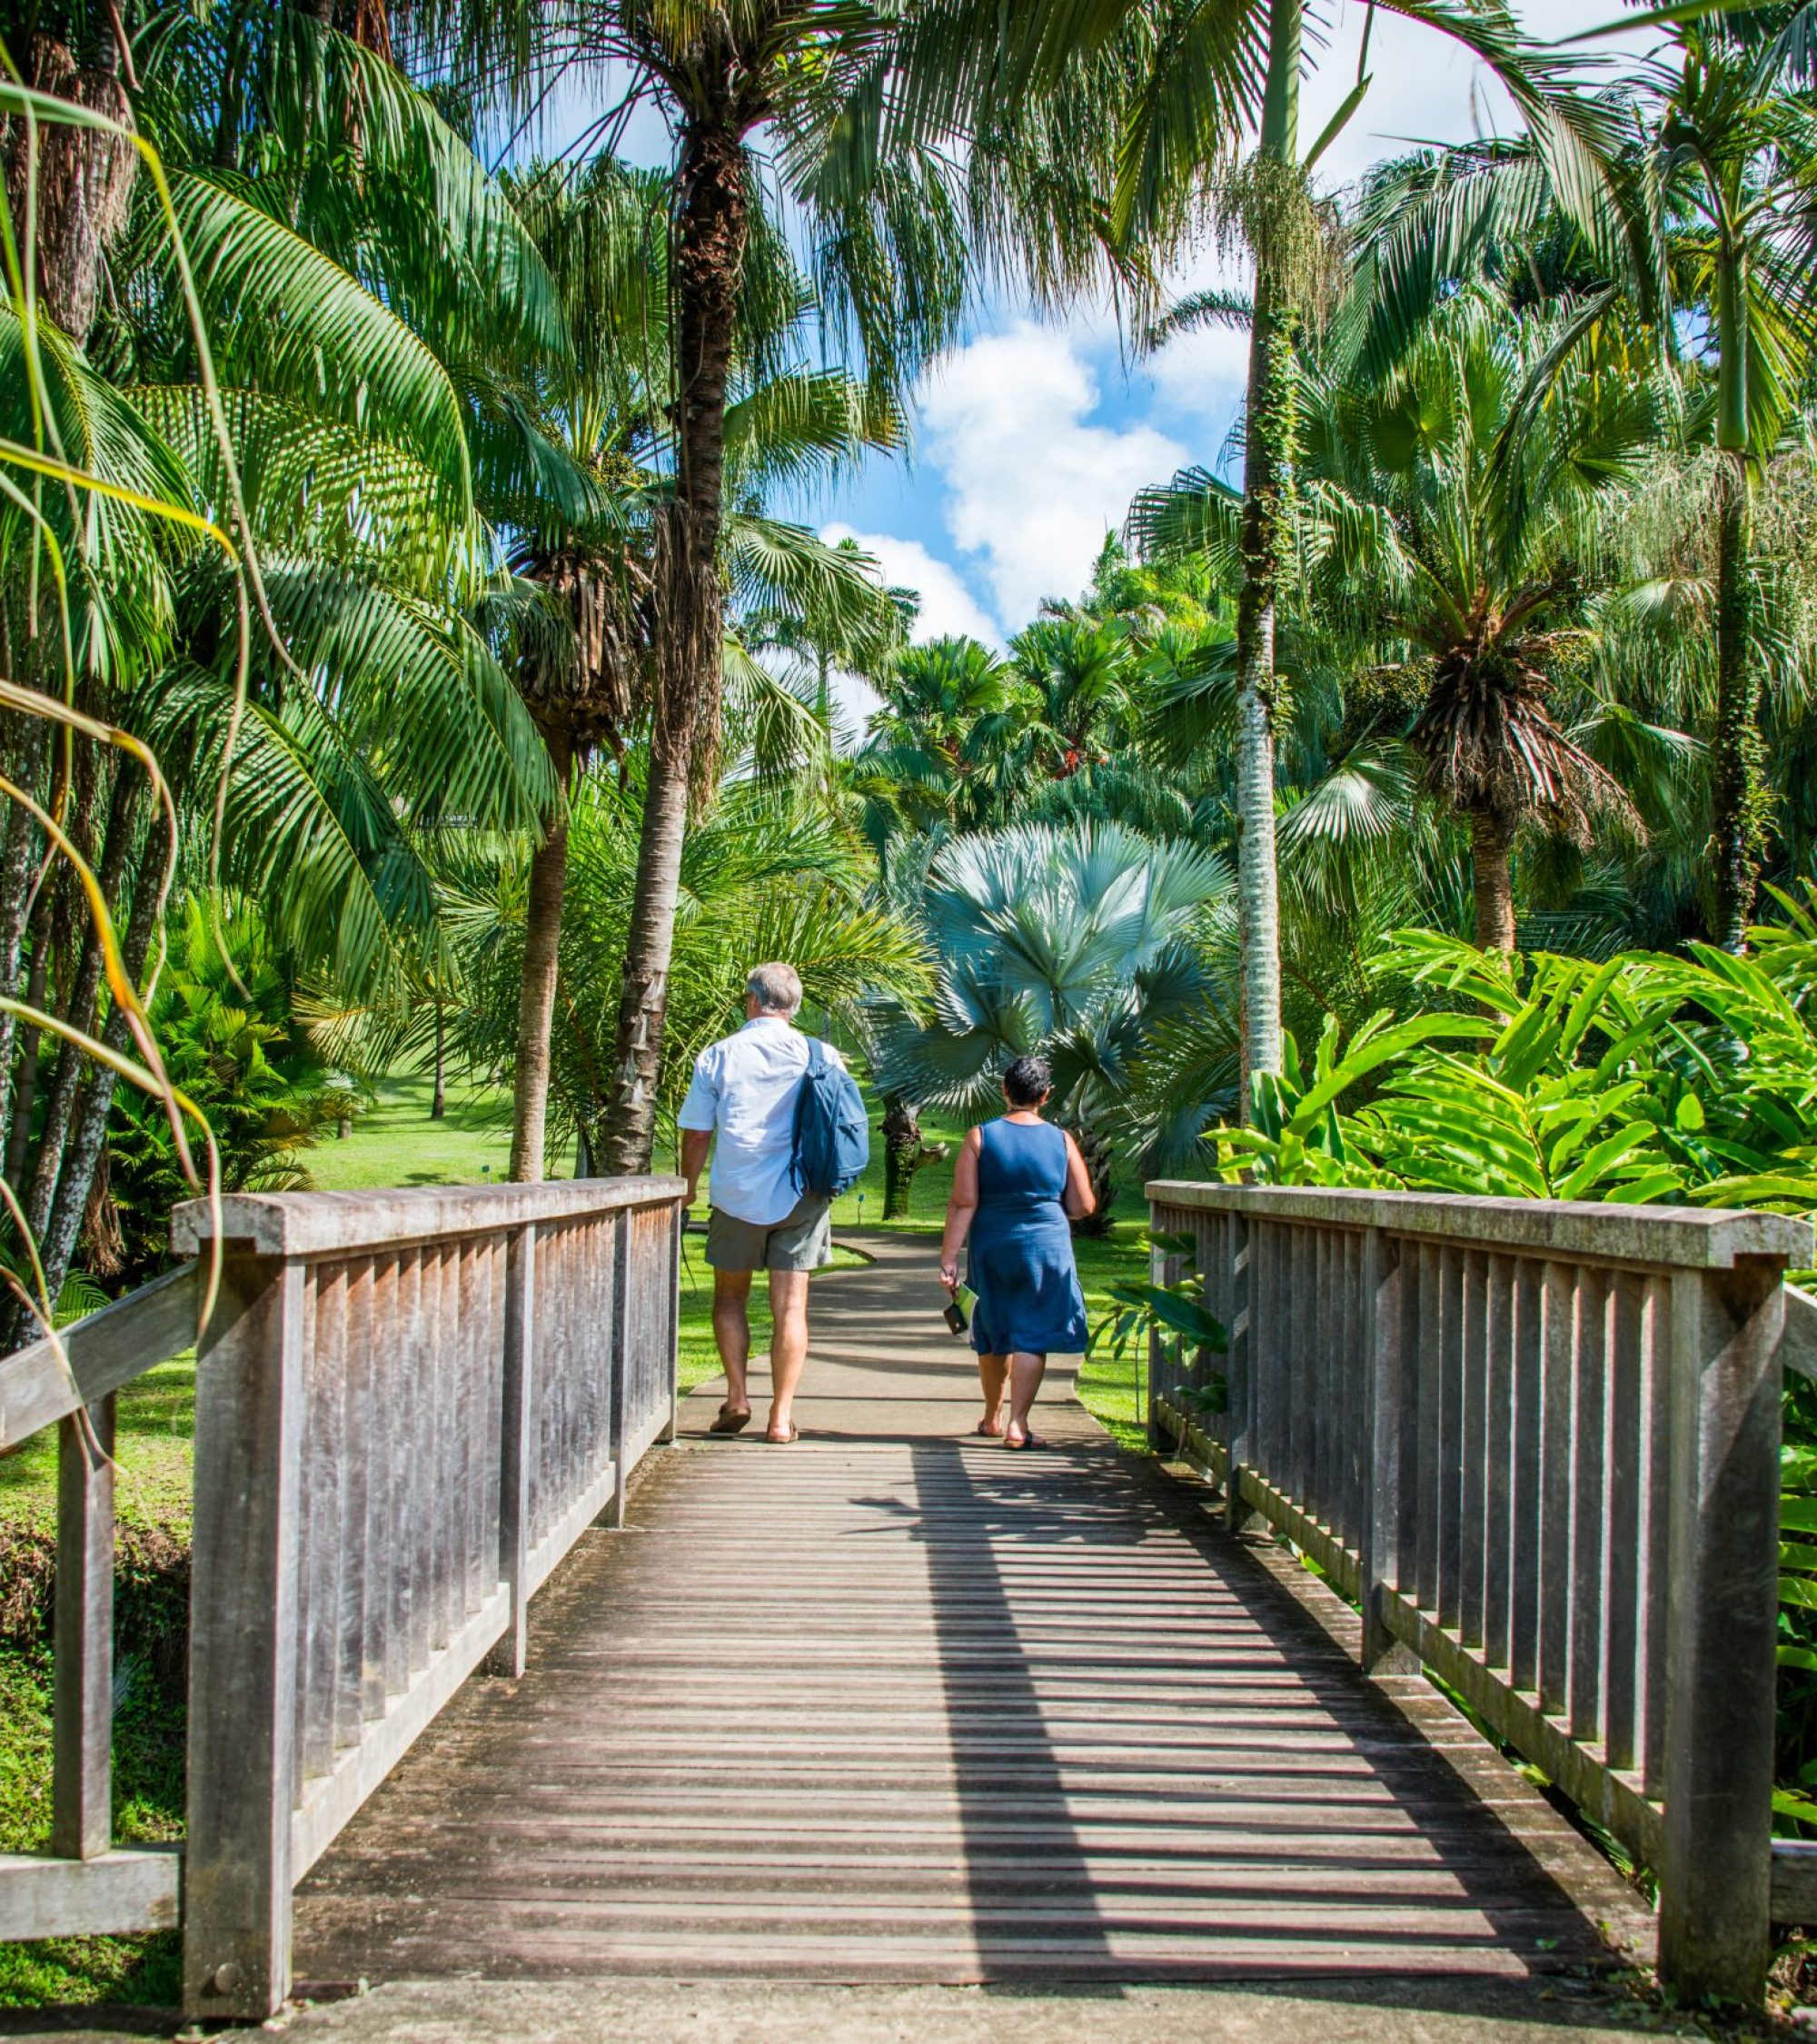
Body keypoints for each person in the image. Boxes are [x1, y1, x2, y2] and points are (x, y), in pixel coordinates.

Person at [678, 962, 842, 1445]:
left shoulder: (719, 1056)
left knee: (729, 1297)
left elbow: (697, 1134)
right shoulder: (824, 1055)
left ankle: (736, 1396)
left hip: (737, 1195)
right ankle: (781, 1416)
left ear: (752, 1000)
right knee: (791, 1307)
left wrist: (687, 1189)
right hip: (803, 1196)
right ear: (794, 1006)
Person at [938, 1054, 1094, 1449]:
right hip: (1047, 1247)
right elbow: (1083, 1206)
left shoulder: (980, 1136)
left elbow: (963, 1202)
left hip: (994, 1246)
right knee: (1033, 1332)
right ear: (1045, 1095)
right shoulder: (1061, 1139)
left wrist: (949, 1258)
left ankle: (991, 1416)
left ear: (1005, 1089)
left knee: (993, 1328)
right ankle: (1017, 1424)